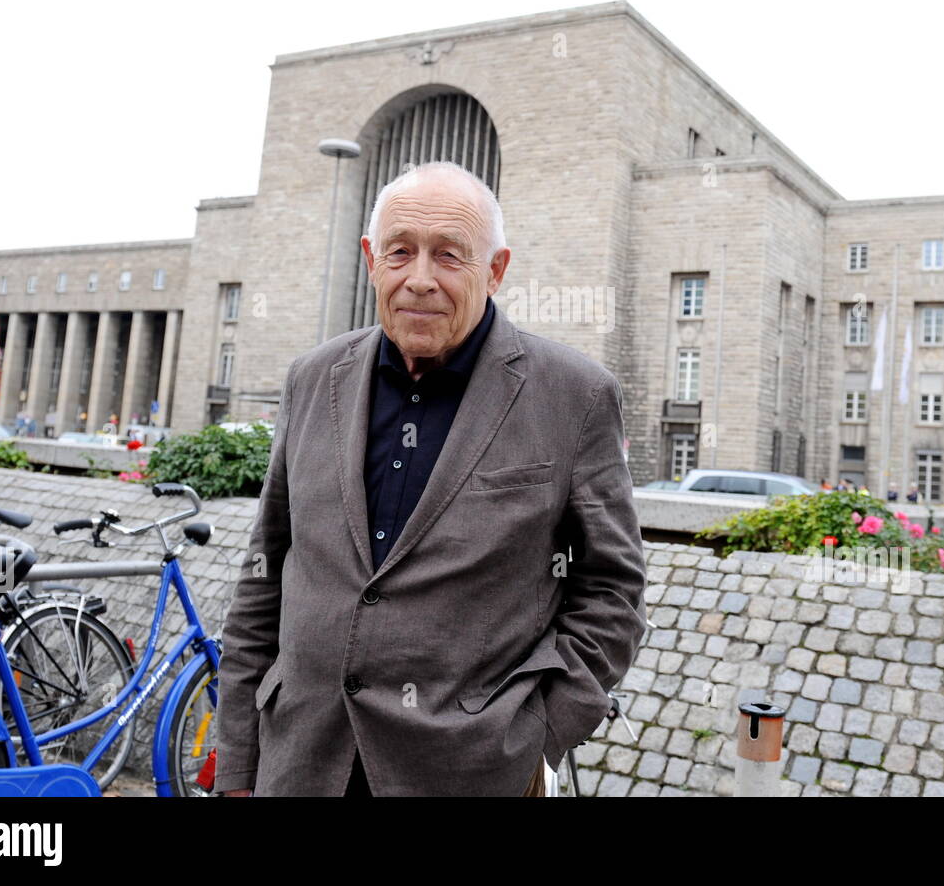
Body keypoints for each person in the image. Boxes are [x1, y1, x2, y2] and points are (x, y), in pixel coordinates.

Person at [213, 161, 647, 797]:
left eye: (449, 256)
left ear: (495, 270)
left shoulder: (573, 396)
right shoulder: (312, 379)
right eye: (401, 252)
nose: (420, 279)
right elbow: (264, 580)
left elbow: (613, 591)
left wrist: (537, 735)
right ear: (370, 259)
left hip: (470, 770)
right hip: (302, 763)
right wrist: (239, 767)